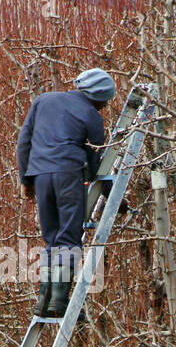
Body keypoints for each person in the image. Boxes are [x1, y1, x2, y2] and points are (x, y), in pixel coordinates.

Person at [16, 67, 116, 317]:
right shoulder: (92, 116)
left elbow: (24, 141)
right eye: (105, 102)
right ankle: (59, 304)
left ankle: (44, 302)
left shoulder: (43, 100)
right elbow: (95, 159)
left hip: (39, 175)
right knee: (69, 237)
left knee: (51, 239)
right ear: (100, 97)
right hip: (67, 175)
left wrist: (25, 179)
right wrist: (104, 187)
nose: (104, 107)